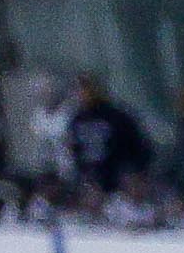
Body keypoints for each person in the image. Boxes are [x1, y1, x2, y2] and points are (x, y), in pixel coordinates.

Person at [60, 72, 160, 214]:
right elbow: (75, 152)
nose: (82, 93)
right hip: (90, 183)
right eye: (80, 89)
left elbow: (138, 147)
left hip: (118, 182)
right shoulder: (77, 119)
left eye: (86, 88)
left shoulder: (117, 117)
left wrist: (133, 174)